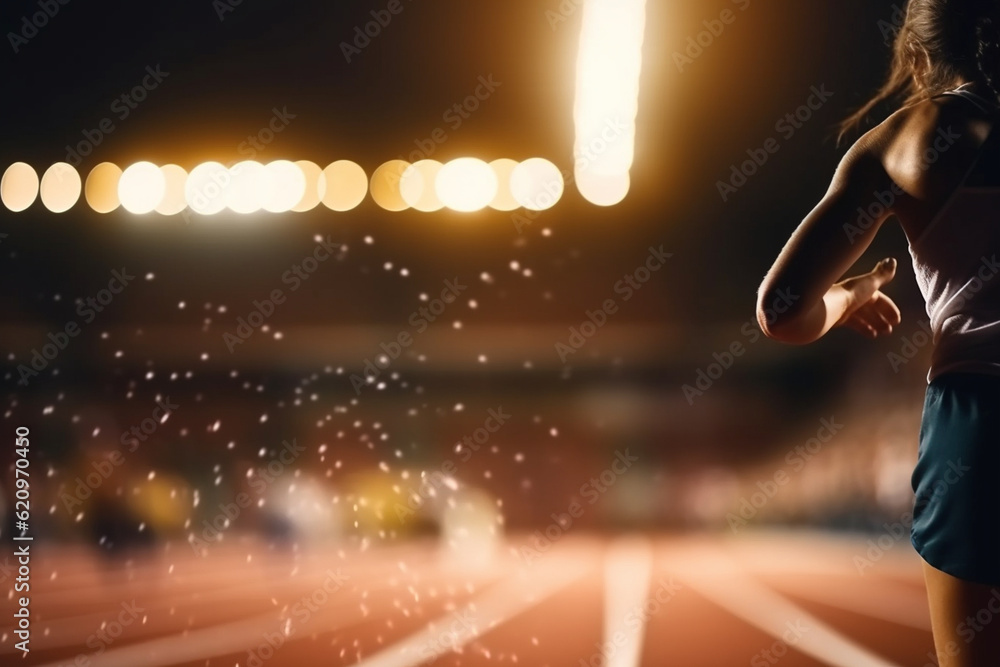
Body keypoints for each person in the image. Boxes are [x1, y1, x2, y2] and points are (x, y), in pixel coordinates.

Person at [757, 1, 1000, 664]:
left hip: (977, 411)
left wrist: (851, 294)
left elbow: (782, 307)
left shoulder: (905, 137)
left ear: (919, 58)